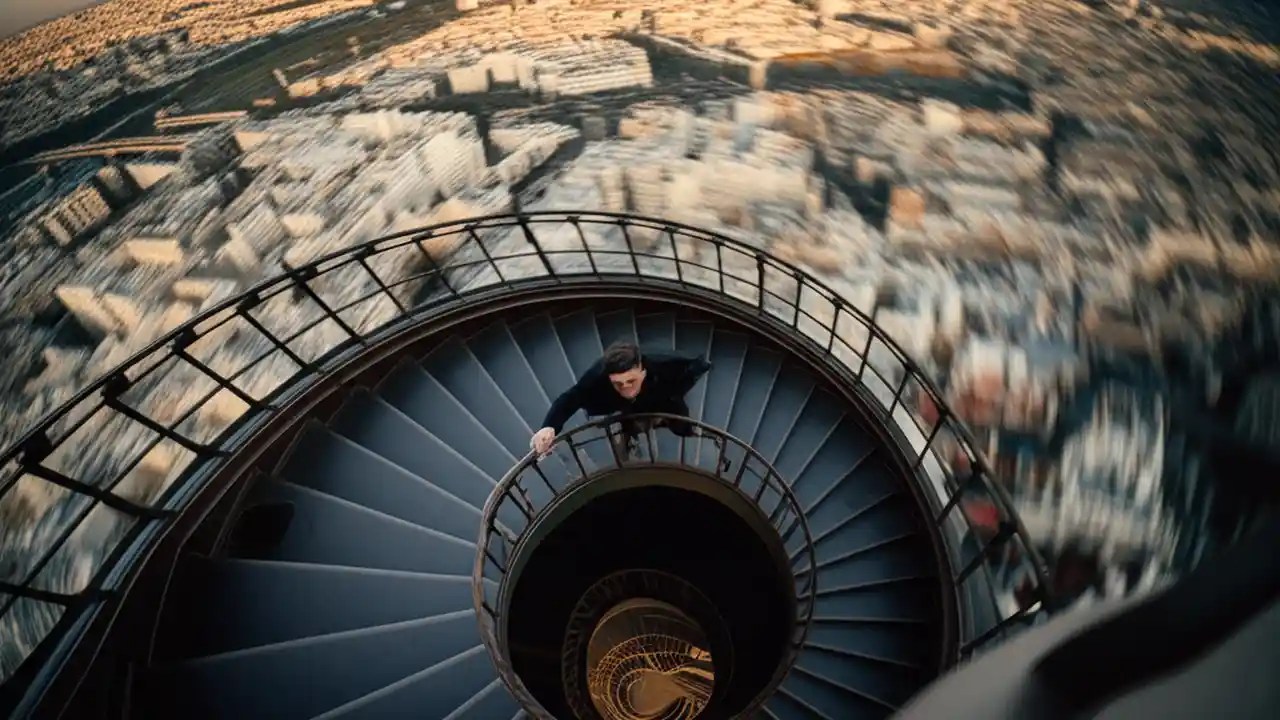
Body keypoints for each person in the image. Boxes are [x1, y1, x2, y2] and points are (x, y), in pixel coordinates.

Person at [530, 341, 711, 459]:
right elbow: (573, 396)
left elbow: (695, 366)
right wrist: (549, 426)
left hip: (661, 397)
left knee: (680, 422)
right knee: (629, 417)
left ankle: (680, 429)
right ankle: (630, 432)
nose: (626, 389)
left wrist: (676, 390)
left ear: (643, 371)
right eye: (618, 383)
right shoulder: (598, 374)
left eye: (631, 381)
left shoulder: (664, 364)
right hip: (623, 406)